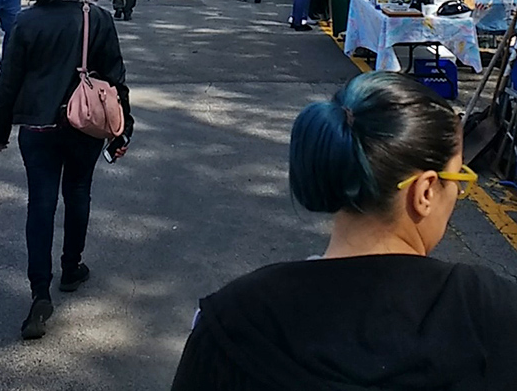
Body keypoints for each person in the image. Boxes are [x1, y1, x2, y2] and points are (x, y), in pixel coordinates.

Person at [171, 72, 517, 391]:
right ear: (425, 191)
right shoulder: (494, 313)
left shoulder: (233, 322)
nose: (458, 193)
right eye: (459, 179)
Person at [0, 0, 134, 340]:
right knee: (79, 191)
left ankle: (39, 291)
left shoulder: (24, 22)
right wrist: (123, 130)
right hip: (83, 123)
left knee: (40, 202)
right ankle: (72, 266)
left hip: (37, 125)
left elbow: (8, 82)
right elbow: (116, 79)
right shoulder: (96, 19)